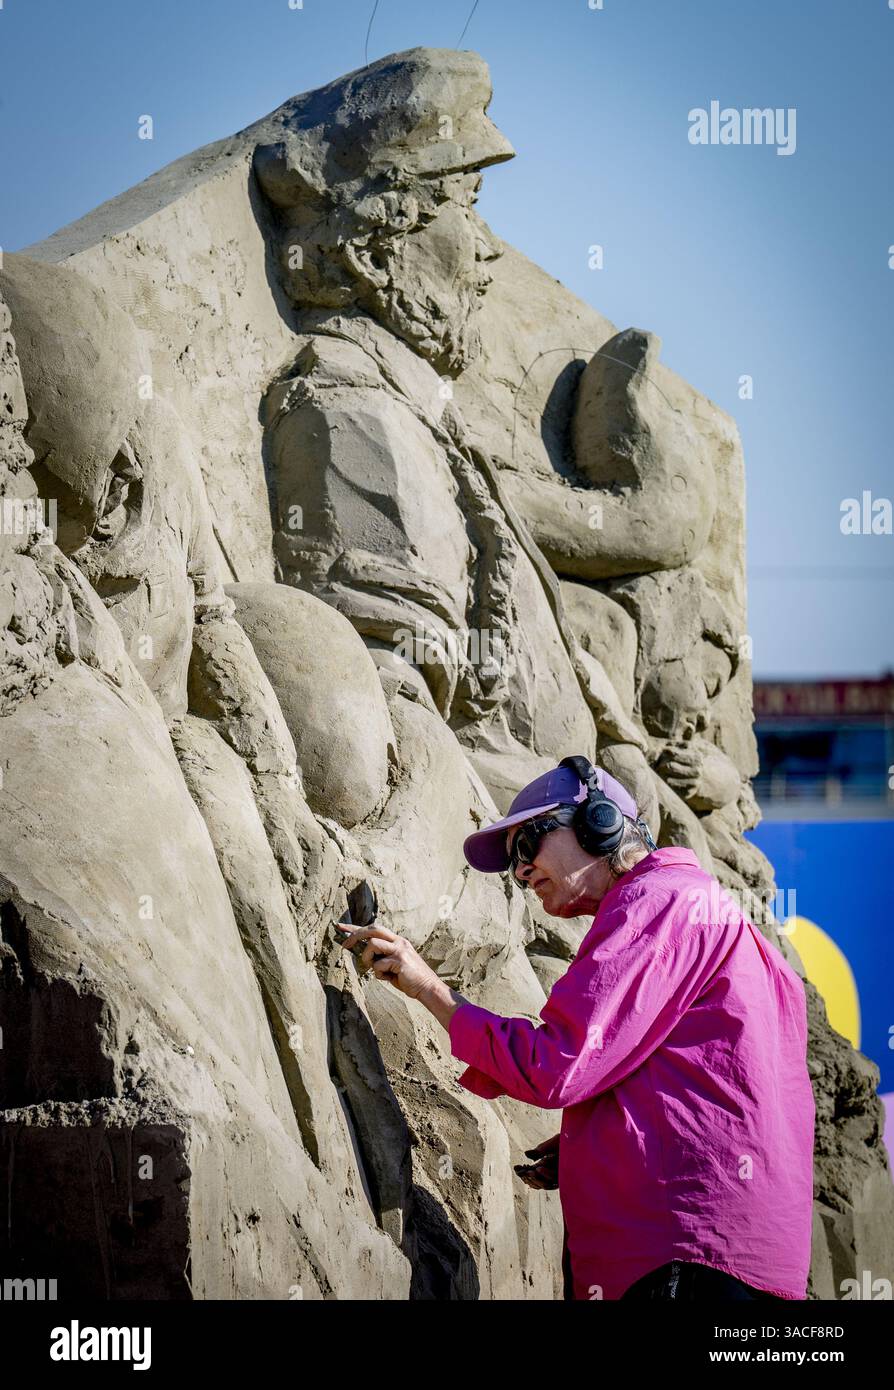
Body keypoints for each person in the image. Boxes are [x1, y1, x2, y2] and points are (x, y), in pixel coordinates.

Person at [336, 754, 815, 1302]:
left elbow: (556, 1064)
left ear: (598, 822)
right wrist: (601, 1143)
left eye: (527, 845)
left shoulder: (656, 902)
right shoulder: (717, 918)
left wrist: (430, 990)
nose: (519, 871)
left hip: (681, 1260)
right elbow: (719, 1090)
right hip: (744, 1262)